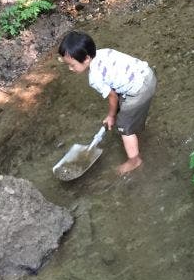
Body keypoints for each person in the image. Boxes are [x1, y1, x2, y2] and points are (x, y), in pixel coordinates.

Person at [58, 30, 156, 175]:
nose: (70, 69)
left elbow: (112, 97)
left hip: (139, 91)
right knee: (126, 111)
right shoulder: (104, 52)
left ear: (85, 59)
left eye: (72, 65)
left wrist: (111, 116)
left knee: (123, 126)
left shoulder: (95, 78)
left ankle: (134, 160)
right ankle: (136, 129)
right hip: (148, 75)